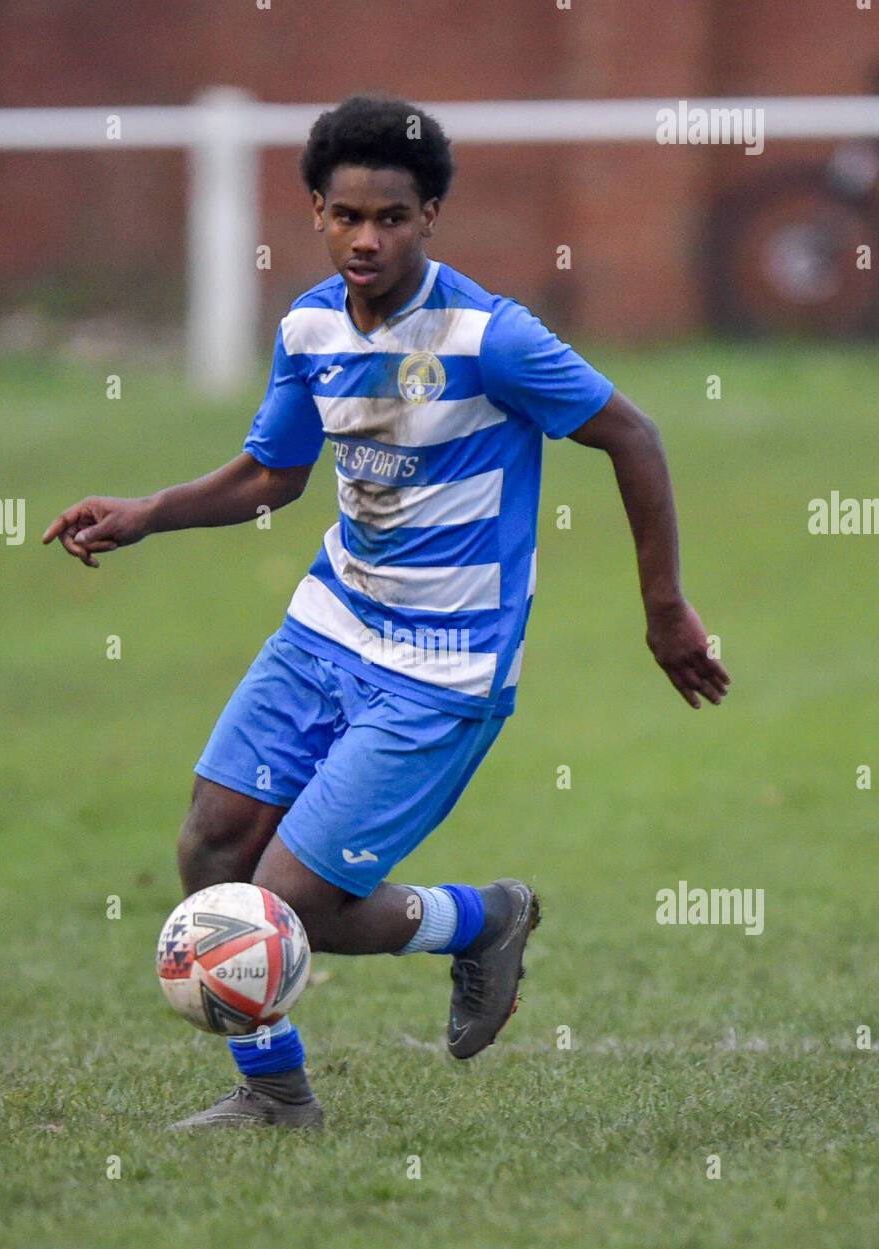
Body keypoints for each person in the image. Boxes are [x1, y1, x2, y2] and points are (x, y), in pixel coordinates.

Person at [43, 94, 730, 1131]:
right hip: (327, 626)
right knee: (211, 853)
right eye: (347, 216)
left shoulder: (491, 338)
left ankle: (480, 919)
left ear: (430, 216)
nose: (368, 238)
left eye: (393, 218)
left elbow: (633, 435)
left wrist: (664, 608)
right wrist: (150, 512)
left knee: (290, 901)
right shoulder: (310, 324)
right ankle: (274, 1093)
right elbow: (272, 476)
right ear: (316, 211)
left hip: (444, 664)